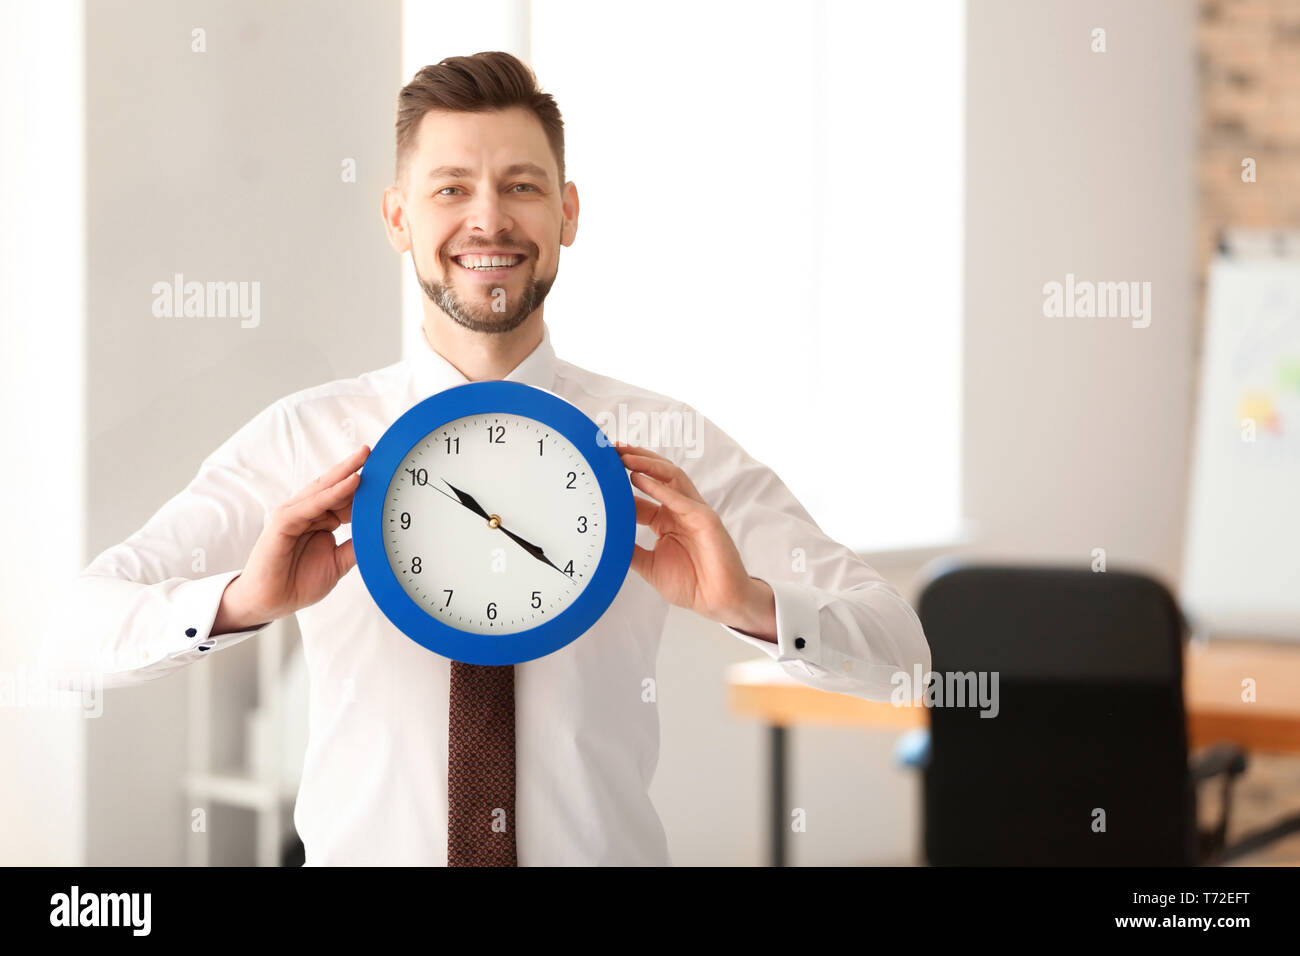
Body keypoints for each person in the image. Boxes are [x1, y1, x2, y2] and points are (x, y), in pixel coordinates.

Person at [50, 51, 931, 866]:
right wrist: (242, 603)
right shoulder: (304, 440)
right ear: (397, 216)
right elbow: (73, 633)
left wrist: (750, 604)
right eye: (450, 189)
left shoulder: (665, 448)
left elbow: (902, 654)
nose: (488, 218)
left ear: (567, 213)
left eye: (521, 185)